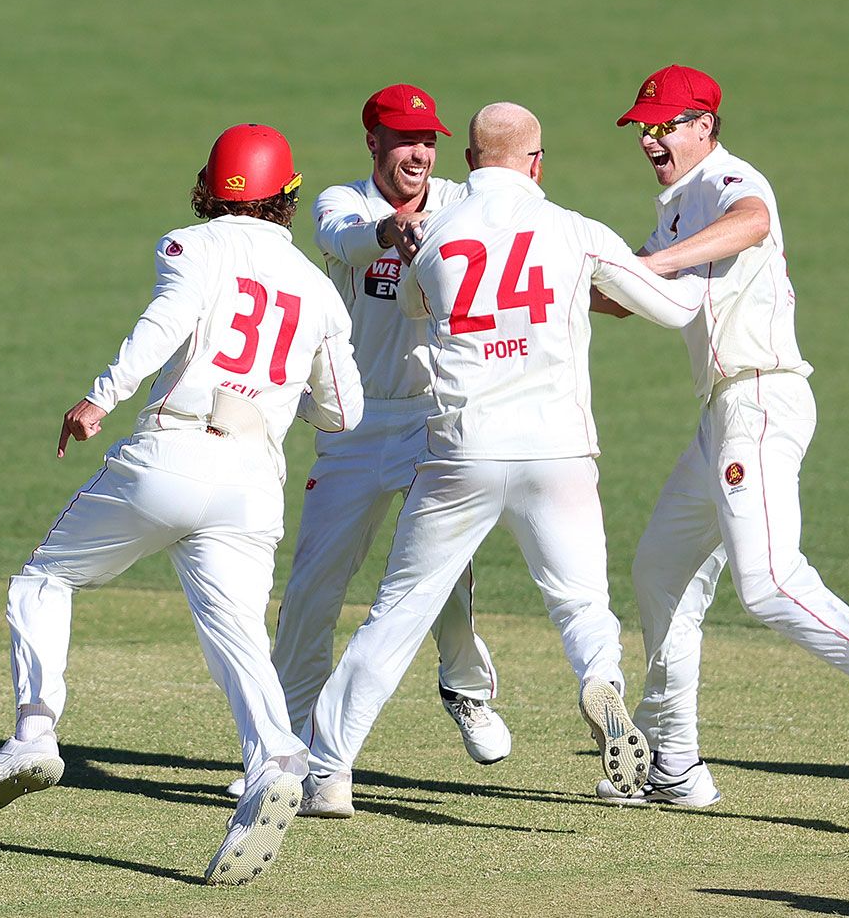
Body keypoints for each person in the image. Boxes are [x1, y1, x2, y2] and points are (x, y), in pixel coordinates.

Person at [0, 124, 364, 884]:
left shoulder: (189, 245)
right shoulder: (316, 287)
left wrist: (100, 396)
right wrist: (275, 396)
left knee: (43, 580)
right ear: (288, 198)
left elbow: (165, 323)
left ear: (210, 188)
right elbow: (343, 412)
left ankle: (35, 734)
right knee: (236, 631)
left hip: (171, 454)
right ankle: (275, 754)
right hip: (249, 481)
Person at [298, 102, 705, 818]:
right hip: (559, 451)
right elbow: (670, 311)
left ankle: (328, 771)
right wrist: (706, 263)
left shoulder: (437, 234)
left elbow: (419, 310)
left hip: (462, 449)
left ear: (470, 160)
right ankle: (599, 678)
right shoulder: (575, 229)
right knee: (583, 605)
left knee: (397, 613)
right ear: (537, 162)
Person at [597, 65, 849, 808]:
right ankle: (675, 760)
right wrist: (567, 278)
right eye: (644, 125)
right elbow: (634, 296)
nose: (652, 137)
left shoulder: (727, 179)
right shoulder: (676, 205)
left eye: (666, 124)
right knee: (659, 572)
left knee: (767, 582)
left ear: (705, 124)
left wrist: (654, 261)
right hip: (721, 417)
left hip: (761, 399)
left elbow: (756, 219)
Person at [269, 84, 509, 772]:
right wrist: (389, 233)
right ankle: (282, 745)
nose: (420, 153)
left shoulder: (465, 201)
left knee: (441, 569)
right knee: (315, 585)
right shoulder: (343, 203)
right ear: (372, 141)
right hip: (352, 421)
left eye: (429, 140)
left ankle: (464, 689)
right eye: (405, 139)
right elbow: (341, 241)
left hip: (433, 418)